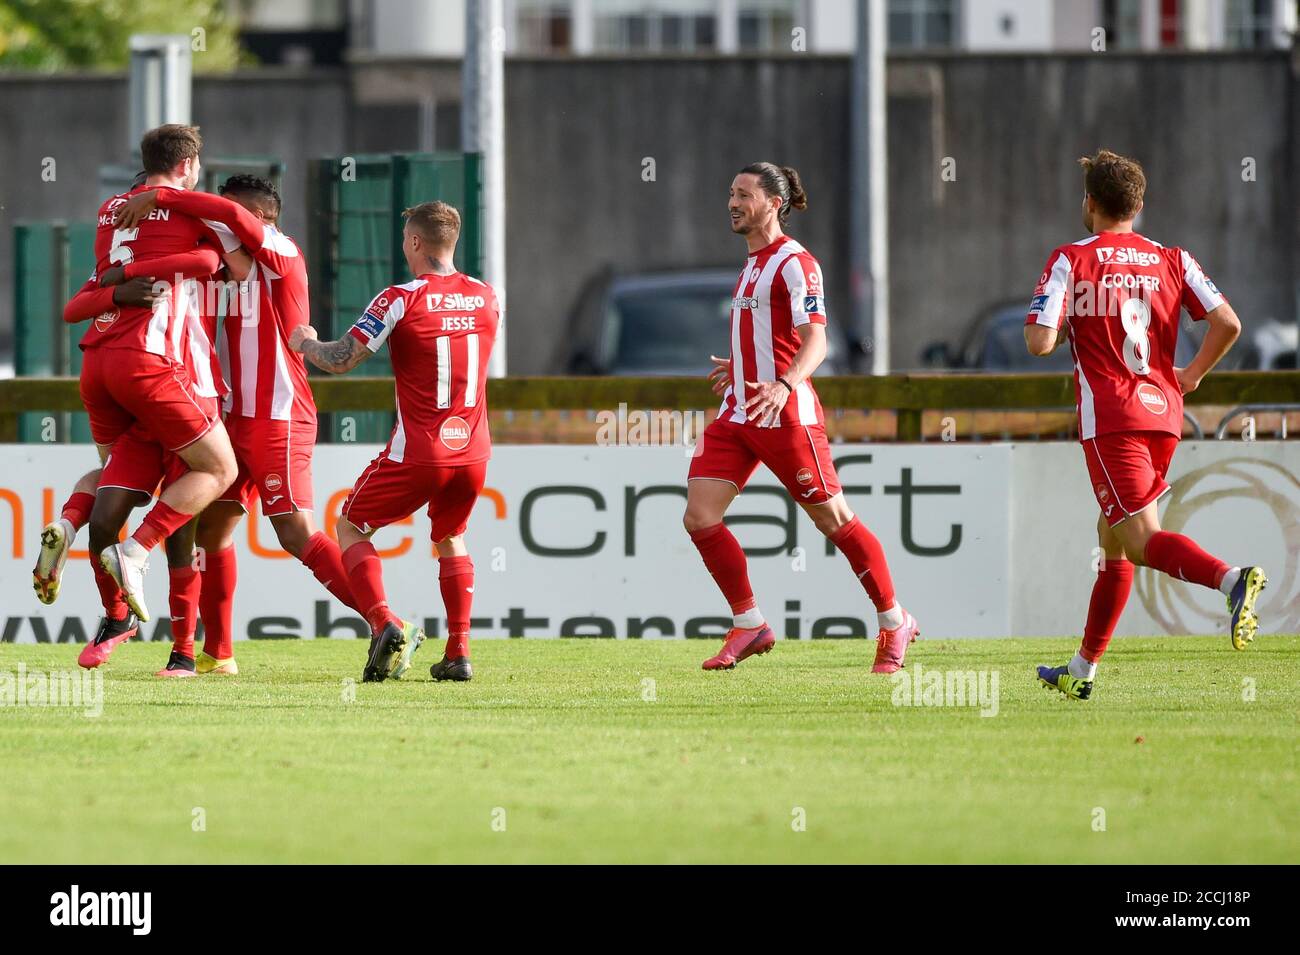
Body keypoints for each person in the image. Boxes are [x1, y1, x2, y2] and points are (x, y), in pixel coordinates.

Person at [1026, 148, 1266, 701]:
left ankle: (1231, 581)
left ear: (1089, 202)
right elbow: (1228, 323)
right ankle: (1081, 669)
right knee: (1111, 537)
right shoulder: (1172, 258)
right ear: (1138, 204)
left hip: (1112, 418)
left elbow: (1038, 342)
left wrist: (1068, 325)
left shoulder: (1071, 258)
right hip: (1164, 415)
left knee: (1139, 540)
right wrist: (1193, 375)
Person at [684, 162, 918, 672]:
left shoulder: (796, 262)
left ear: (774, 202)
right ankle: (749, 624)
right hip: (738, 413)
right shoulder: (750, 264)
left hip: (785, 414)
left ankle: (894, 621)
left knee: (832, 519)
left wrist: (784, 382)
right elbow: (769, 337)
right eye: (731, 191)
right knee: (700, 516)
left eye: (743, 193)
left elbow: (817, 339)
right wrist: (743, 365)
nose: (732, 202)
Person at [290, 201, 498, 683]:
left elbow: (342, 358)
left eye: (407, 239)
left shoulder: (399, 297)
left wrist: (304, 343)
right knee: (450, 537)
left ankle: (384, 622)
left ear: (417, 243)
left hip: (420, 452)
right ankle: (459, 653)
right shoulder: (488, 296)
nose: (405, 247)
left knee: (349, 525)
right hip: (473, 450)